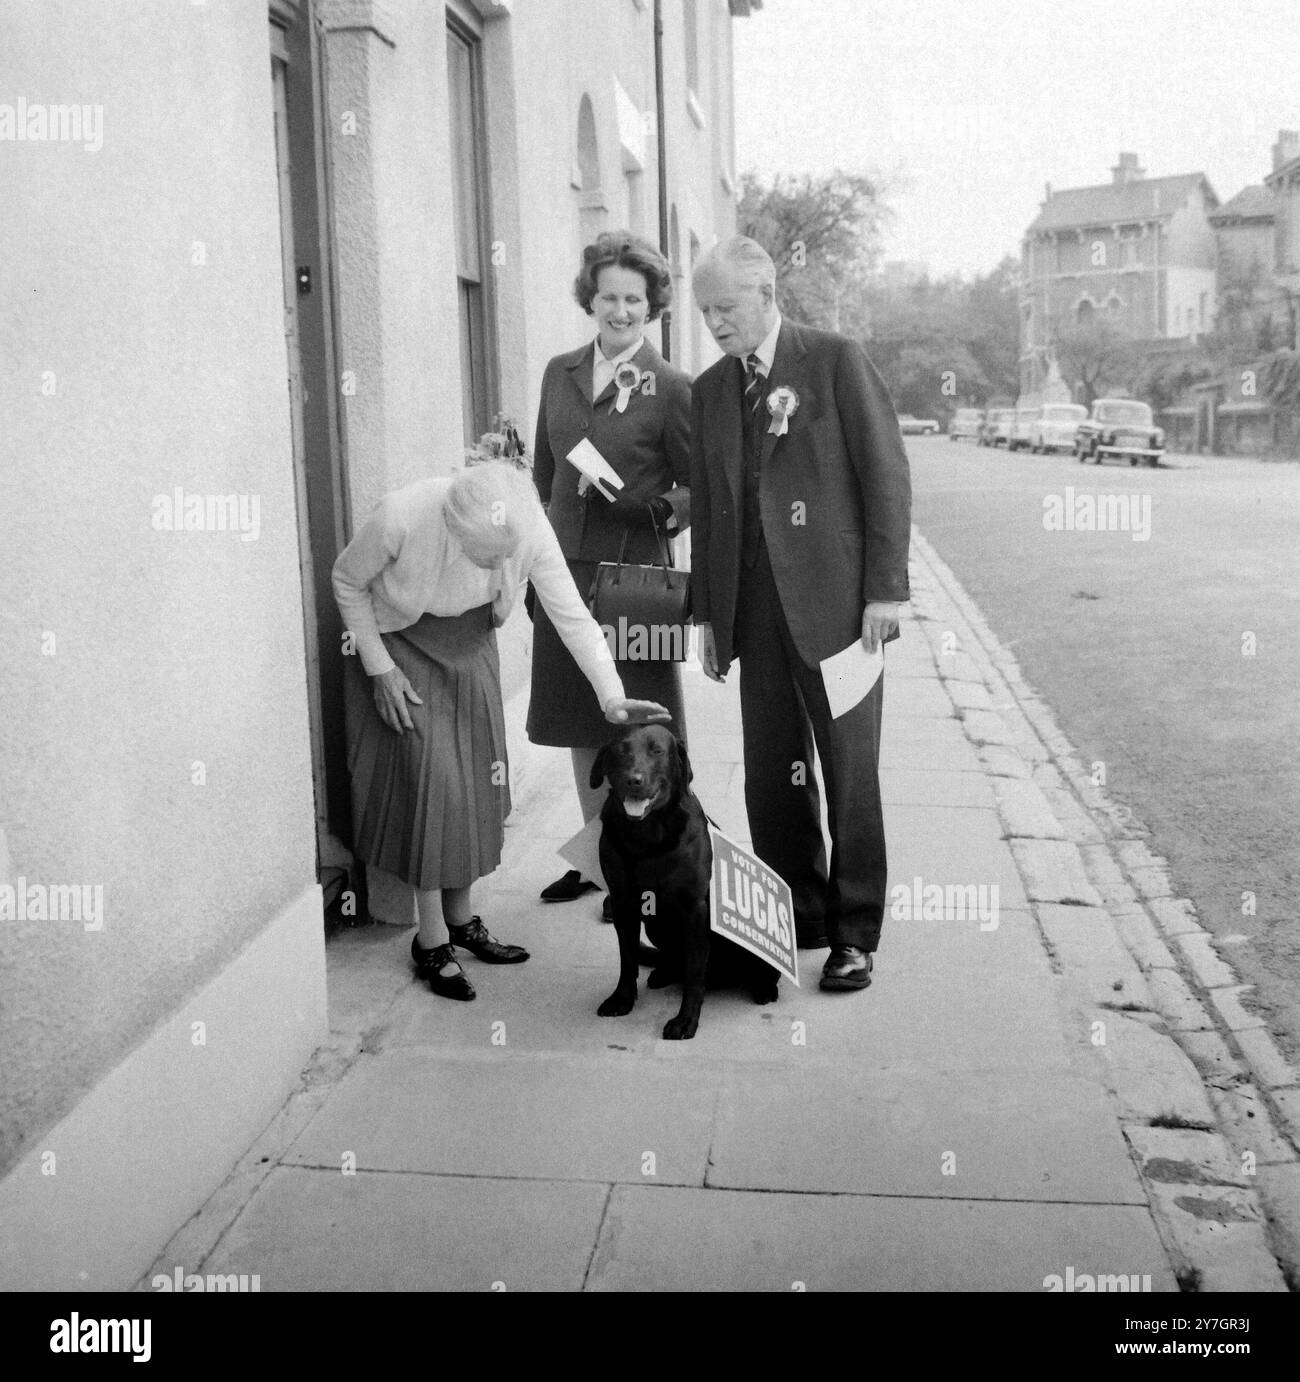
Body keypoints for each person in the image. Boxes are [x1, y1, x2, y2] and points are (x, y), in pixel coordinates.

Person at [333, 460, 668, 1001]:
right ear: (453, 525)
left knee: (474, 784)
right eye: (485, 555)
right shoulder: (402, 515)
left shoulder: (527, 526)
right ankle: (431, 939)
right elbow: (346, 580)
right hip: (402, 643)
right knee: (433, 784)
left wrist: (611, 695)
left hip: (470, 645)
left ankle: (462, 920)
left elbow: (572, 614)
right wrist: (378, 668)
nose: (499, 567)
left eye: (505, 556)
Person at [688, 236, 912, 993]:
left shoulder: (834, 360)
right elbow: (714, 516)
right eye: (704, 311)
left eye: (725, 307)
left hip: (843, 612)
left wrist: (886, 589)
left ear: (767, 292)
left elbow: (885, 474)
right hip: (754, 615)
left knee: (850, 774)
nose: (714, 323)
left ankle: (854, 935)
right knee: (772, 776)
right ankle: (800, 914)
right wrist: (711, 622)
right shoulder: (712, 391)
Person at [528, 230, 692, 917]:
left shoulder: (674, 386)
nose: (620, 311)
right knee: (579, 720)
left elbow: (698, 489)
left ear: (651, 305)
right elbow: (542, 473)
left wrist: (655, 505)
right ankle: (600, 858)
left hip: (635, 582)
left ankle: (649, 869)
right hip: (565, 574)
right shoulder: (559, 373)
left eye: (633, 299)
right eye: (608, 298)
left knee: (638, 731)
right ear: (589, 300)